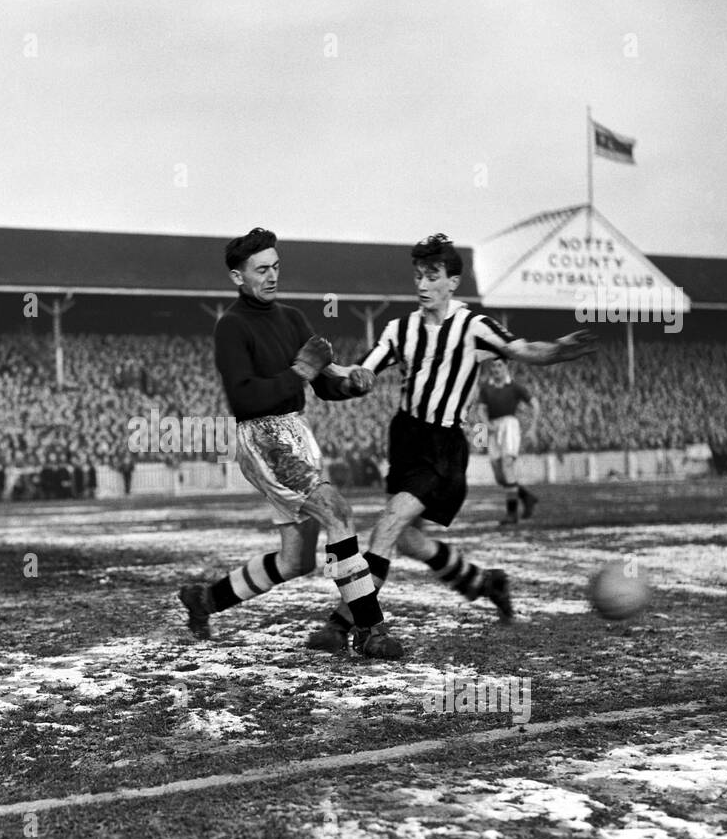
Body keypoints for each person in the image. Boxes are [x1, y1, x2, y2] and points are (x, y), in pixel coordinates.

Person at [306, 233, 596, 651]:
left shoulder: (473, 326)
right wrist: (337, 377)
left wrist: (559, 351)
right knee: (409, 539)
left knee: (387, 524)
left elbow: (522, 348)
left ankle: (345, 624)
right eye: (418, 275)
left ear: (452, 281)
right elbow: (360, 374)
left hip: (443, 446)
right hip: (405, 438)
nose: (423, 284)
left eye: (433, 275)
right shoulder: (398, 329)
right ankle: (484, 582)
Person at [177, 227, 403, 658]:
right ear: (237, 277)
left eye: (276, 266)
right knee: (338, 511)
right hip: (263, 437)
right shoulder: (231, 326)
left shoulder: (293, 318)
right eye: (261, 269)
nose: (271, 275)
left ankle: (205, 599)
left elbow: (324, 382)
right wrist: (300, 370)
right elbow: (244, 397)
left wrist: (353, 383)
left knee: (295, 561)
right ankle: (370, 630)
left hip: (297, 432)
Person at [476, 359, 540, 525]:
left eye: (499, 366)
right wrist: (482, 434)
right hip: (492, 428)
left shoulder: (515, 387)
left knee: (507, 465)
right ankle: (527, 497)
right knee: (500, 477)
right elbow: (481, 410)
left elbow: (535, 404)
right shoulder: (485, 388)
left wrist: (533, 428)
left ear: (506, 367)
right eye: (493, 366)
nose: (496, 369)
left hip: (509, 425)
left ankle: (512, 514)